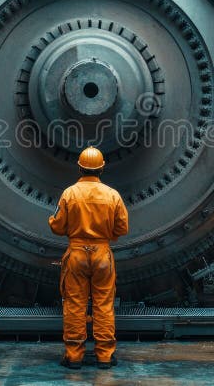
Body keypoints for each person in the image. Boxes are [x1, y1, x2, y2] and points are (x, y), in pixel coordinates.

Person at [49, 146, 129, 370]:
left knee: (75, 304)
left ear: (80, 168)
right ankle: (104, 355)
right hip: (103, 254)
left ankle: (74, 356)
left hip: (76, 254)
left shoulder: (69, 193)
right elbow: (122, 227)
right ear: (102, 168)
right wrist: (106, 236)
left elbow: (57, 226)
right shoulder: (112, 195)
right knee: (104, 304)